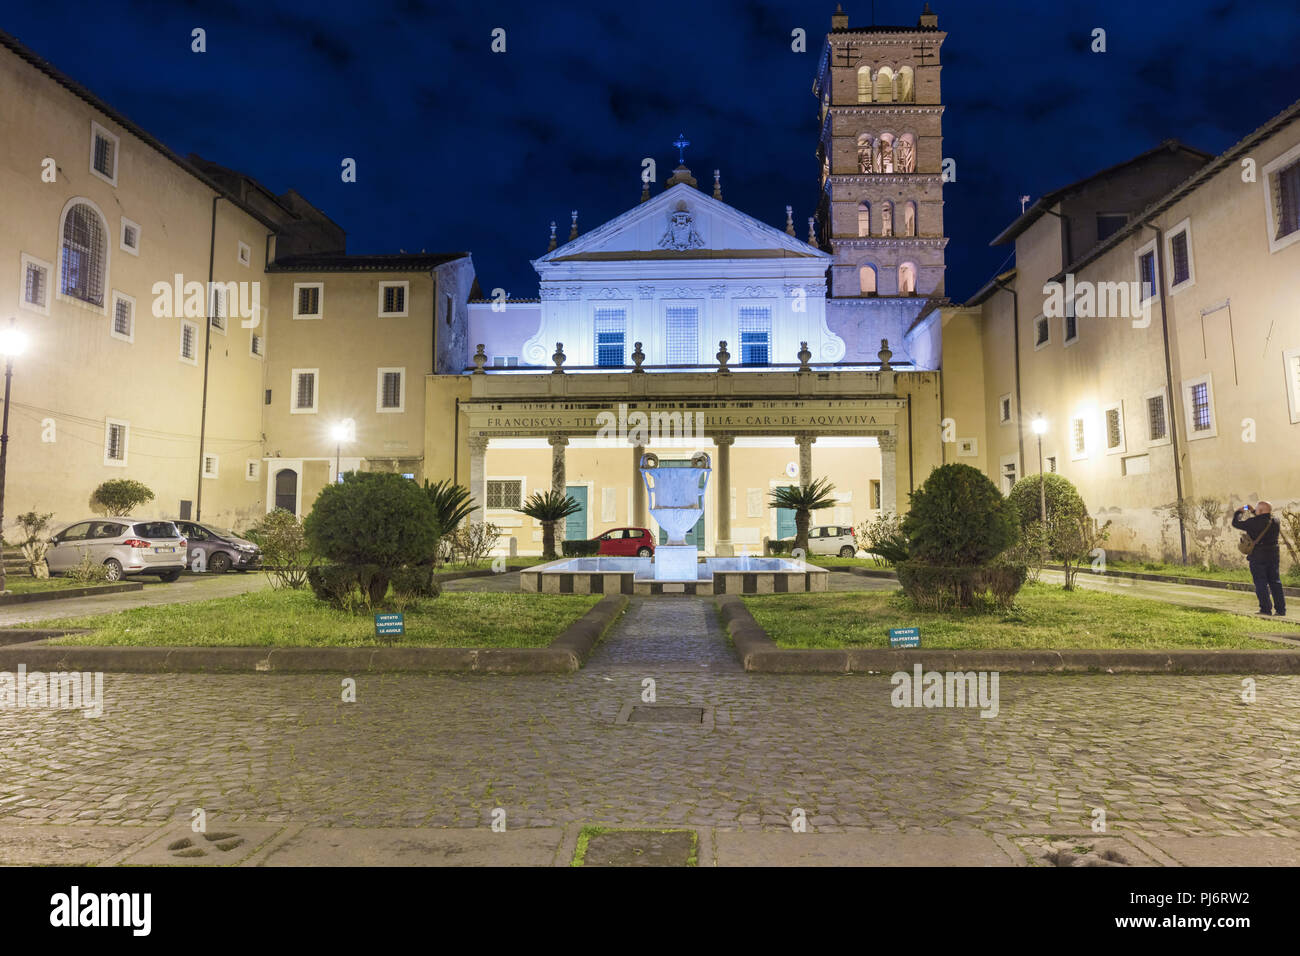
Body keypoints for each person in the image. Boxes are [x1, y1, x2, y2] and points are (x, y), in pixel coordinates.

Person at [1232, 501, 1286, 616]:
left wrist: (1239, 511)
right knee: (1275, 582)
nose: (1255, 511)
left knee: (1260, 582)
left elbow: (1236, 523)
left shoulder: (1252, 522)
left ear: (1260, 511)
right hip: (1273, 555)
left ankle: (1265, 609)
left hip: (1258, 555)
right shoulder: (1275, 521)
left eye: (1257, 510)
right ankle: (1281, 610)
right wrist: (1252, 511)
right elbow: (1263, 519)